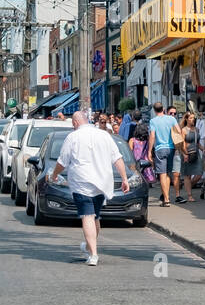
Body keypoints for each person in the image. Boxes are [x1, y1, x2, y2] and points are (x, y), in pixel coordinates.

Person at [48, 111, 130, 267]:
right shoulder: (104, 135)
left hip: (81, 181)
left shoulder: (73, 137)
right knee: (95, 217)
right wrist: (124, 178)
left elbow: (62, 161)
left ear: (75, 123)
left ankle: (93, 254)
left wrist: (54, 174)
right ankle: (88, 247)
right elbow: (117, 158)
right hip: (102, 181)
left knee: (88, 216)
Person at [147, 102, 180, 207]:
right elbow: (178, 131)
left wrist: (149, 150)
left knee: (162, 173)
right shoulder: (171, 119)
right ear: (164, 109)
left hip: (160, 149)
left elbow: (152, 136)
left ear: (154, 110)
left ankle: (166, 199)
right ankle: (167, 197)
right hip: (171, 148)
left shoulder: (153, 121)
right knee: (168, 173)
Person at [178, 111, 203, 203]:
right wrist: (184, 154)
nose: (193, 119)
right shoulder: (184, 130)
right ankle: (189, 195)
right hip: (187, 153)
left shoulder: (196, 129)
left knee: (199, 174)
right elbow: (182, 144)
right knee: (187, 175)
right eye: (191, 118)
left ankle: (188, 186)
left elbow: (198, 143)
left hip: (196, 153)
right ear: (186, 119)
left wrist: (203, 149)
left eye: (193, 118)